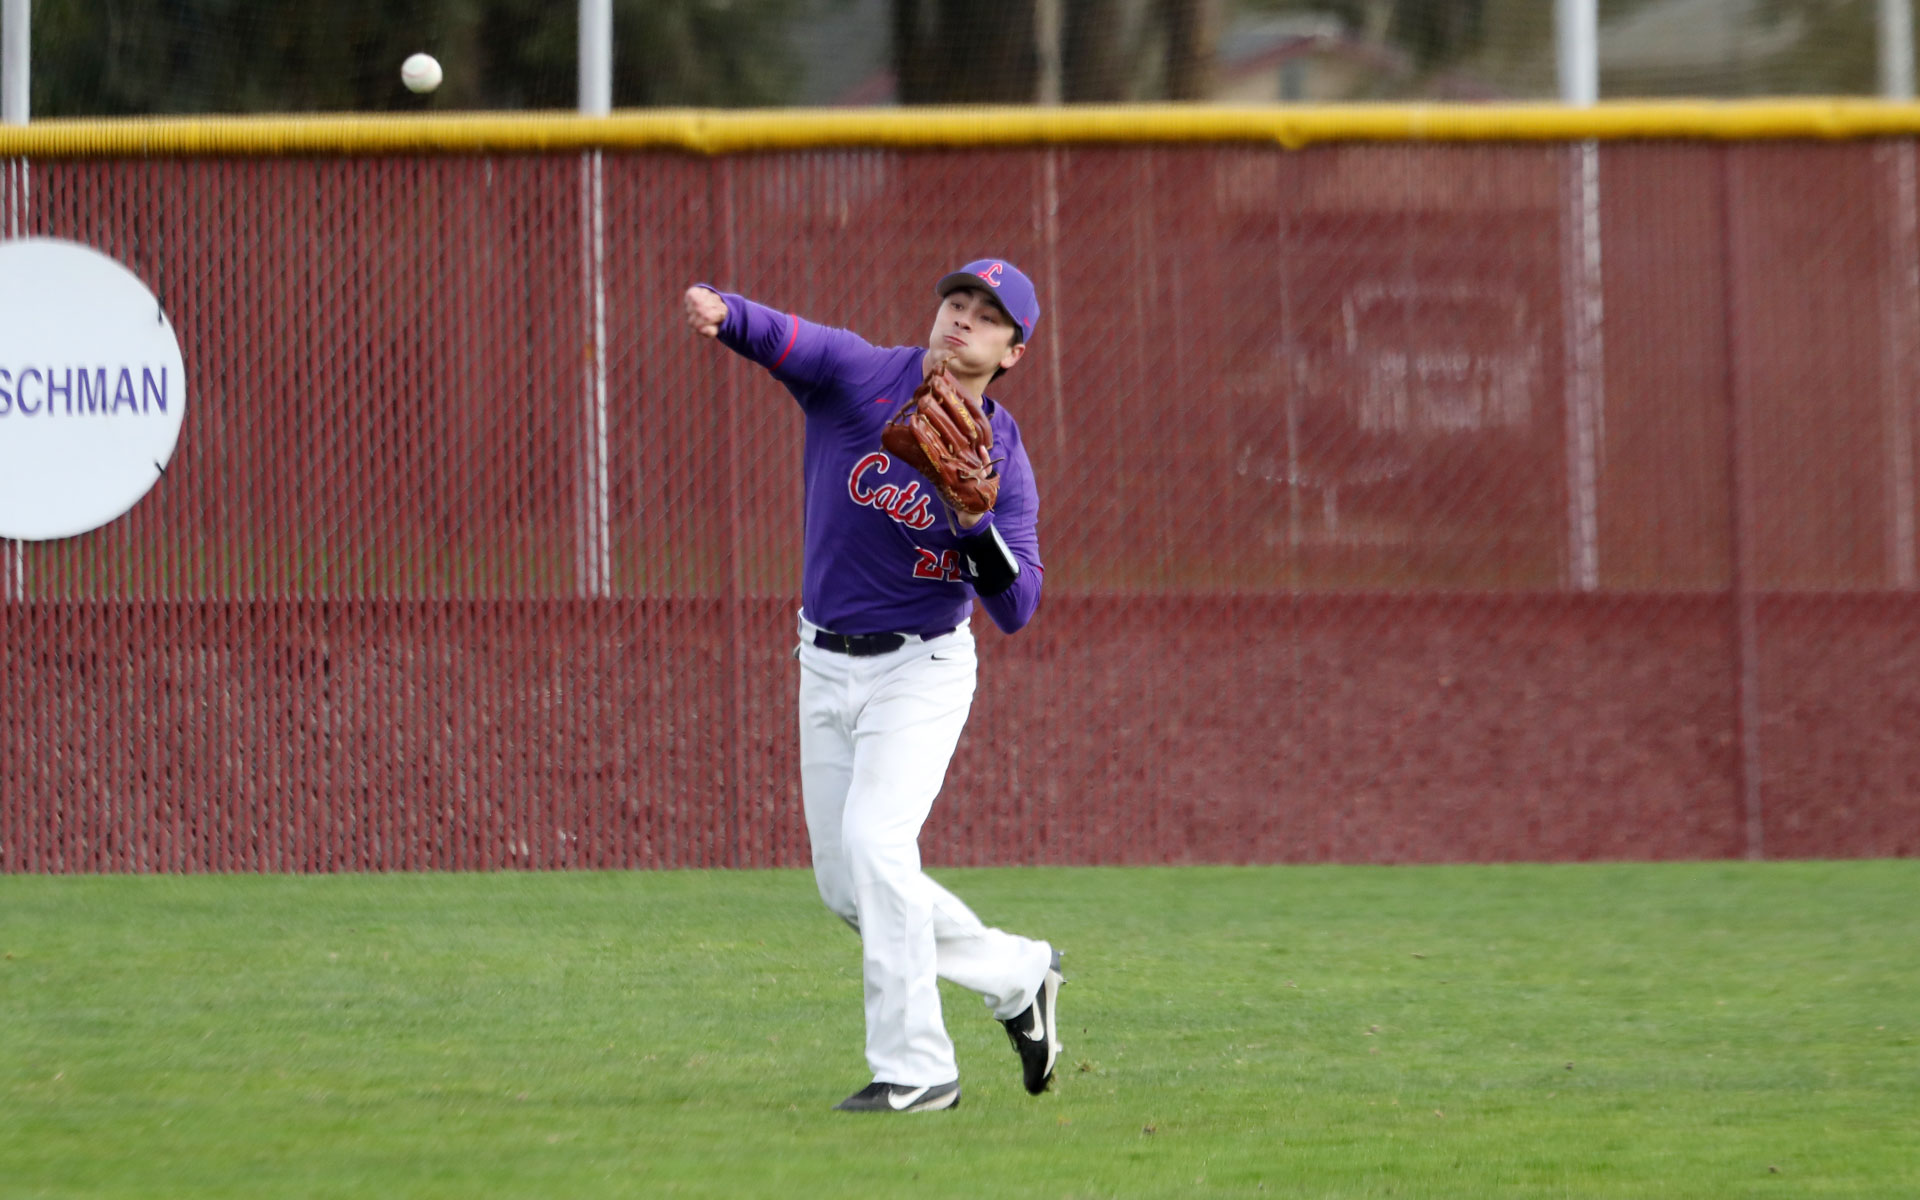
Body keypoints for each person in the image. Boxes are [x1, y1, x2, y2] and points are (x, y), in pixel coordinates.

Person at [682, 260, 1063, 1114]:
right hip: (822, 659)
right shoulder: (865, 376)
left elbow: (1019, 606)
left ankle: (918, 1069)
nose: (963, 318)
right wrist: (725, 312)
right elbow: (791, 340)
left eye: (988, 315)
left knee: (878, 846)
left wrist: (972, 523)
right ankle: (1016, 972)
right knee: (849, 884)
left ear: (1013, 352)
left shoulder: (1005, 457)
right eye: (956, 302)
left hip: (921, 667)